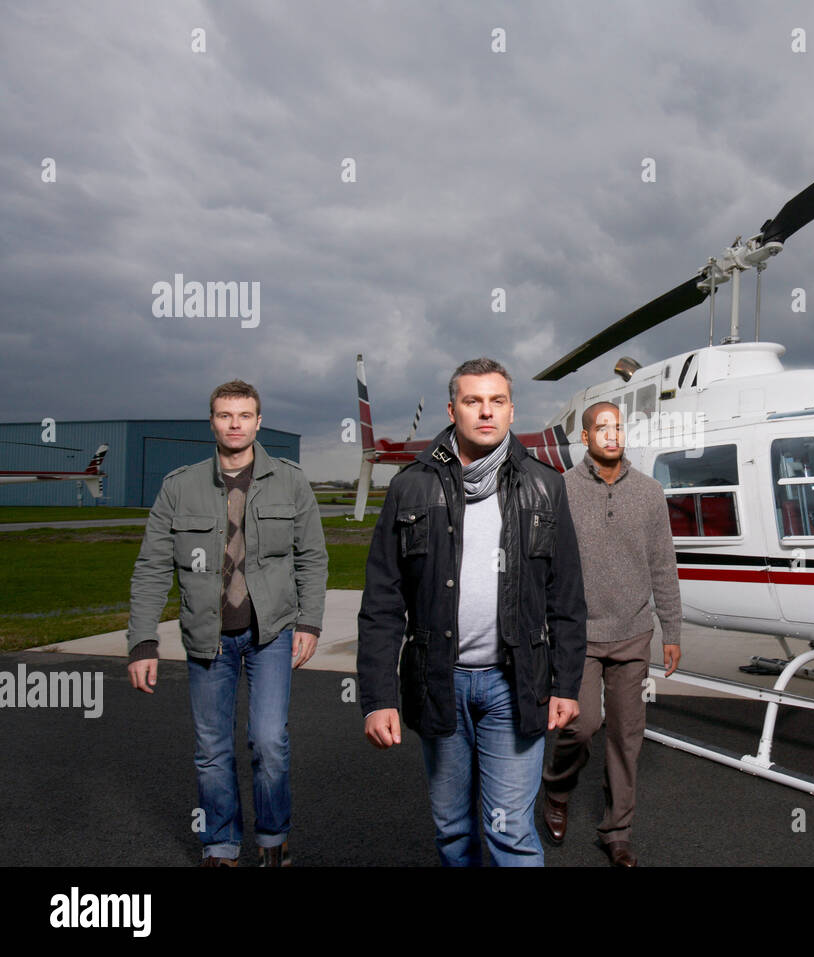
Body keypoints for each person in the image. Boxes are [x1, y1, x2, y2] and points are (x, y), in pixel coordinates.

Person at [356, 357, 586, 866]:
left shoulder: (547, 486)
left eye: (497, 401)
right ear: (452, 409)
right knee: (454, 832)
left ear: (511, 409)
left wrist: (566, 685)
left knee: (510, 833)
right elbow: (382, 604)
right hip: (440, 681)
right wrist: (377, 698)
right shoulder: (410, 487)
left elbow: (566, 598)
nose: (486, 412)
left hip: (515, 683)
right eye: (472, 401)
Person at [126, 380, 327, 866]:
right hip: (207, 638)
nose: (234, 424)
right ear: (212, 421)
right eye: (224, 415)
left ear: (259, 422)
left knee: (268, 740)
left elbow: (312, 558)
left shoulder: (291, 480)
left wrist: (310, 623)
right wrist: (142, 642)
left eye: (244, 415)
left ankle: (273, 838)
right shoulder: (180, 486)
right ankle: (220, 845)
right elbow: (152, 566)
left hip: (271, 633)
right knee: (212, 749)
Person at [540, 401, 681, 867]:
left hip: (633, 632)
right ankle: (557, 789)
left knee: (627, 735)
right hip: (577, 635)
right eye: (602, 428)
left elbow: (663, 566)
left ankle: (616, 832)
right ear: (586, 437)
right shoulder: (560, 491)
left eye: (617, 427)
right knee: (581, 726)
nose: (611, 434)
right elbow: (546, 563)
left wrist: (671, 629)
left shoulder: (649, 492)